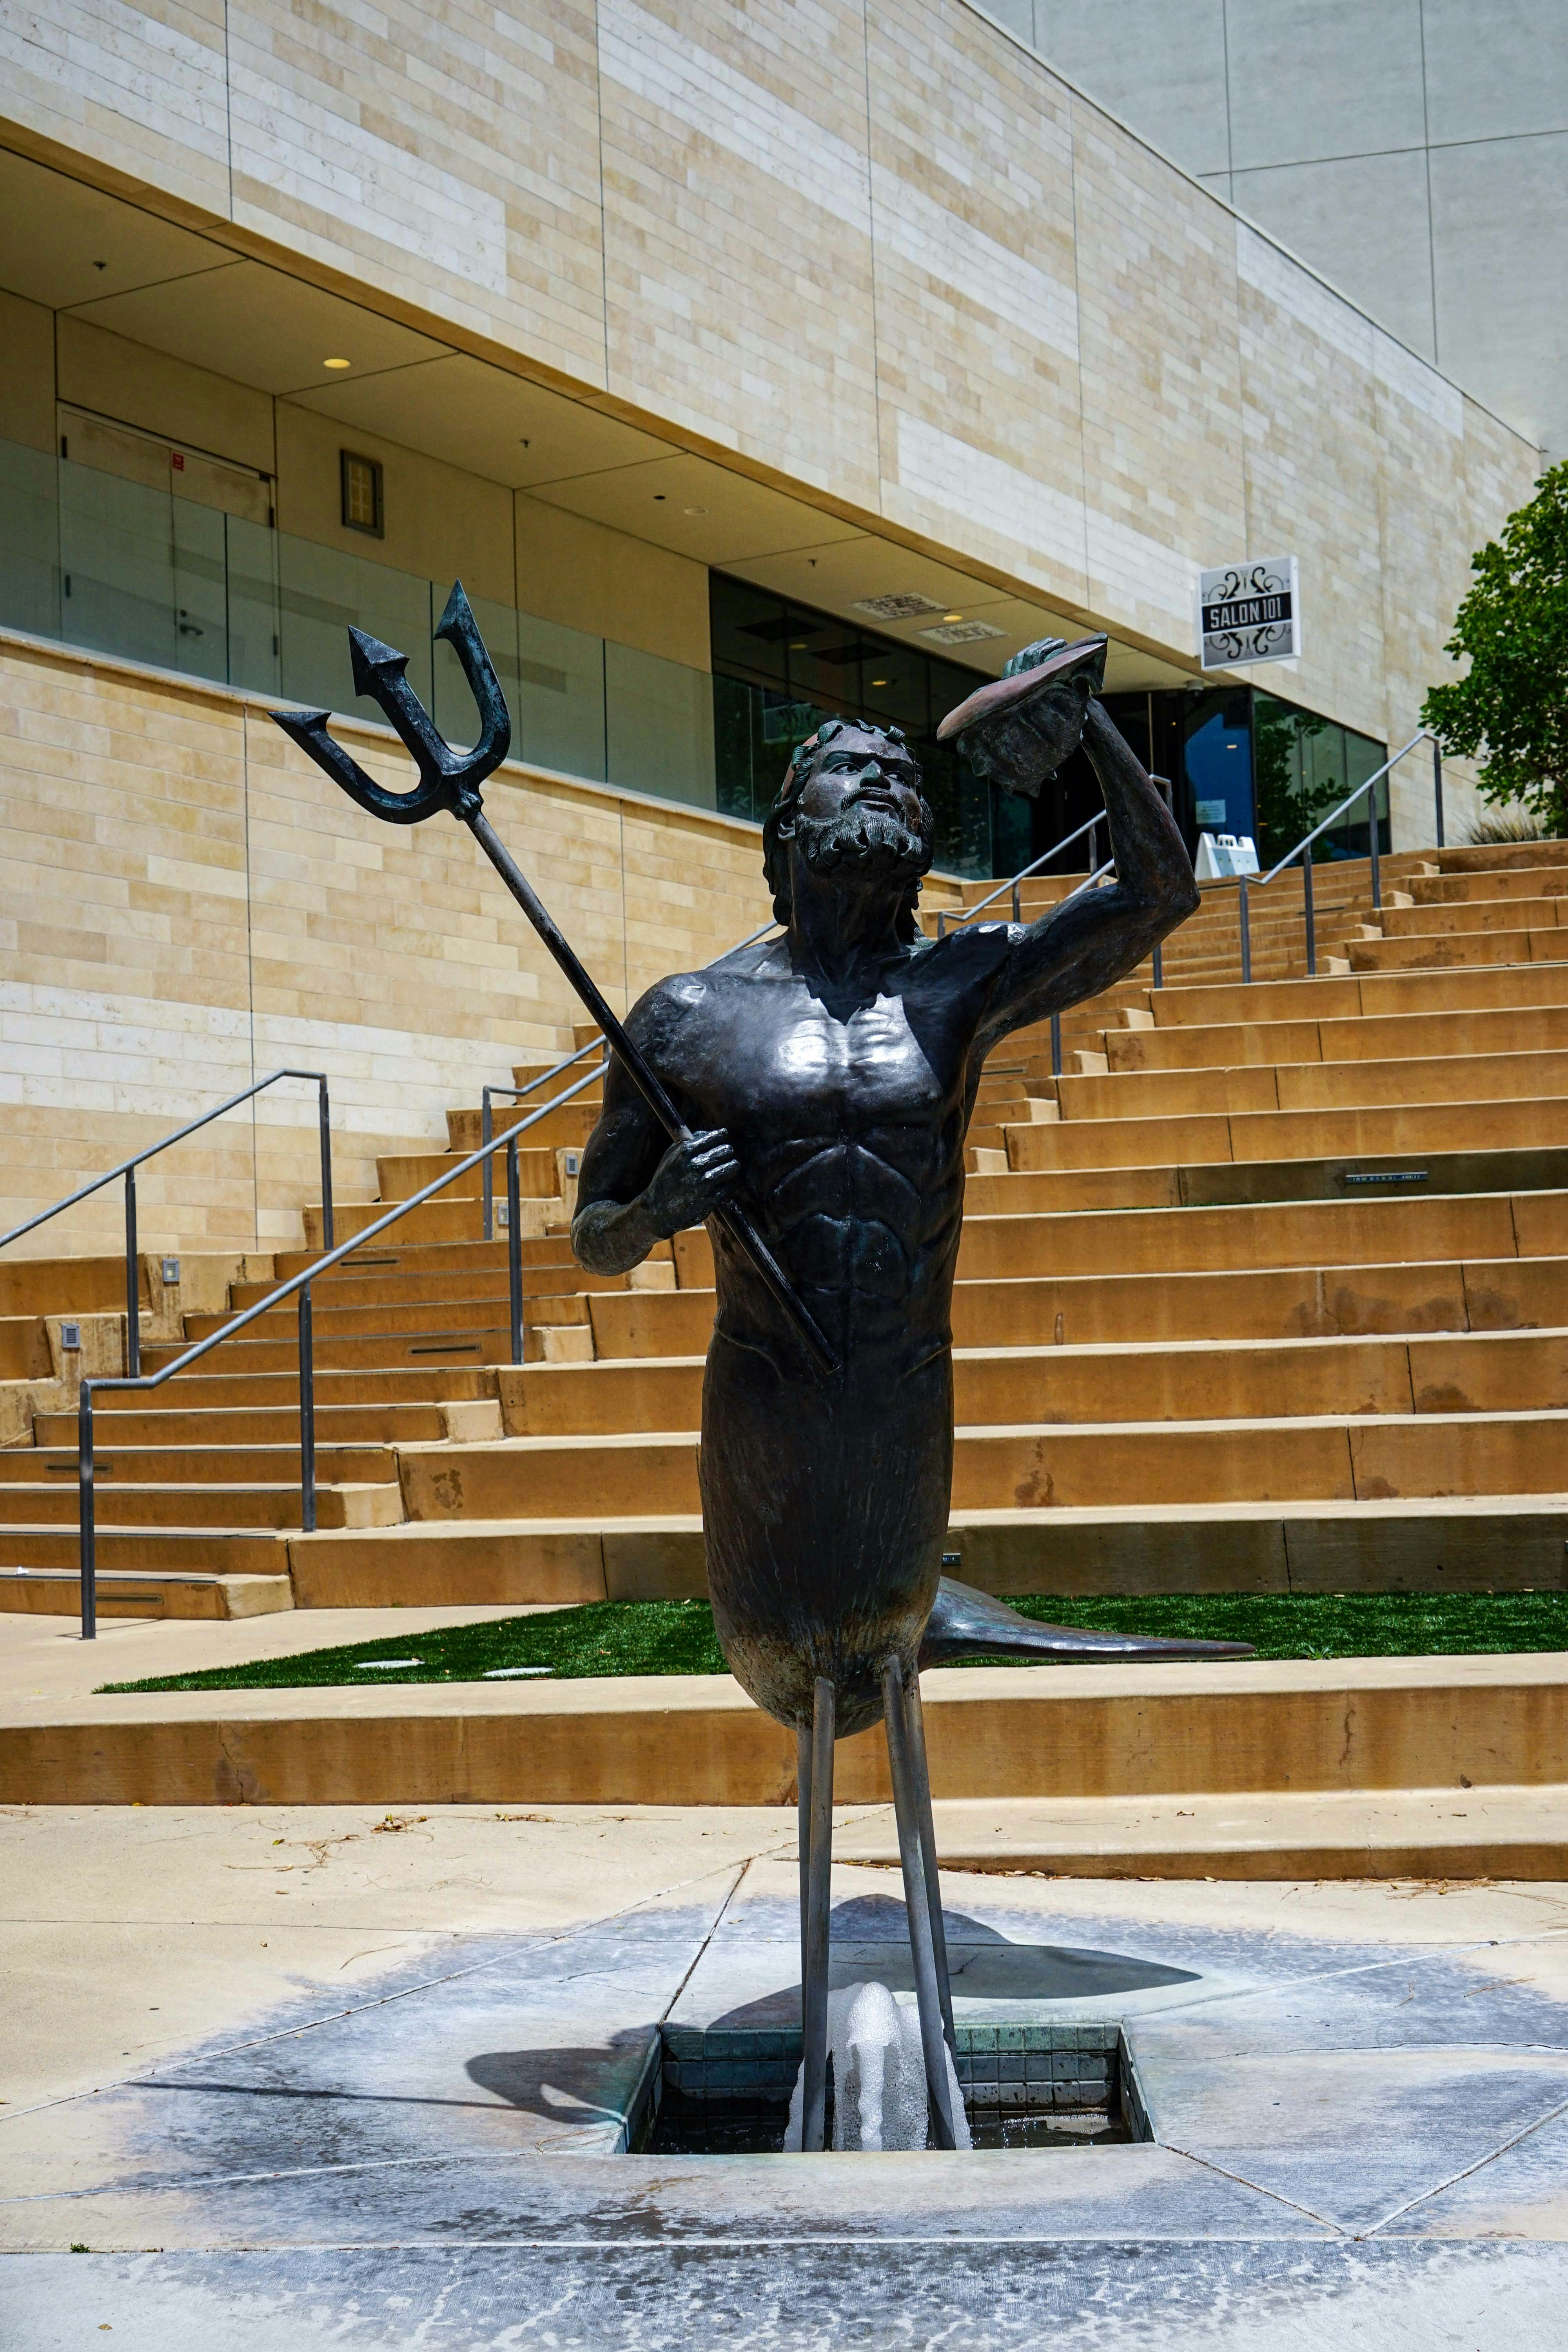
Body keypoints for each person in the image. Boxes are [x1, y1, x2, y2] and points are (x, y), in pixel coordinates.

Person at [572, 670, 1199, 1737]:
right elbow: (594, 1240)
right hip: (768, 1401)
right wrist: (656, 1210)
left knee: (876, 1650)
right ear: (786, 827)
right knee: (790, 1658)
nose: (888, 789)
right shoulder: (687, 1015)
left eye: (907, 782)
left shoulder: (957, 985)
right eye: (856, 772)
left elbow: (1157, 896)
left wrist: (1081, 717)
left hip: (906, 1394)